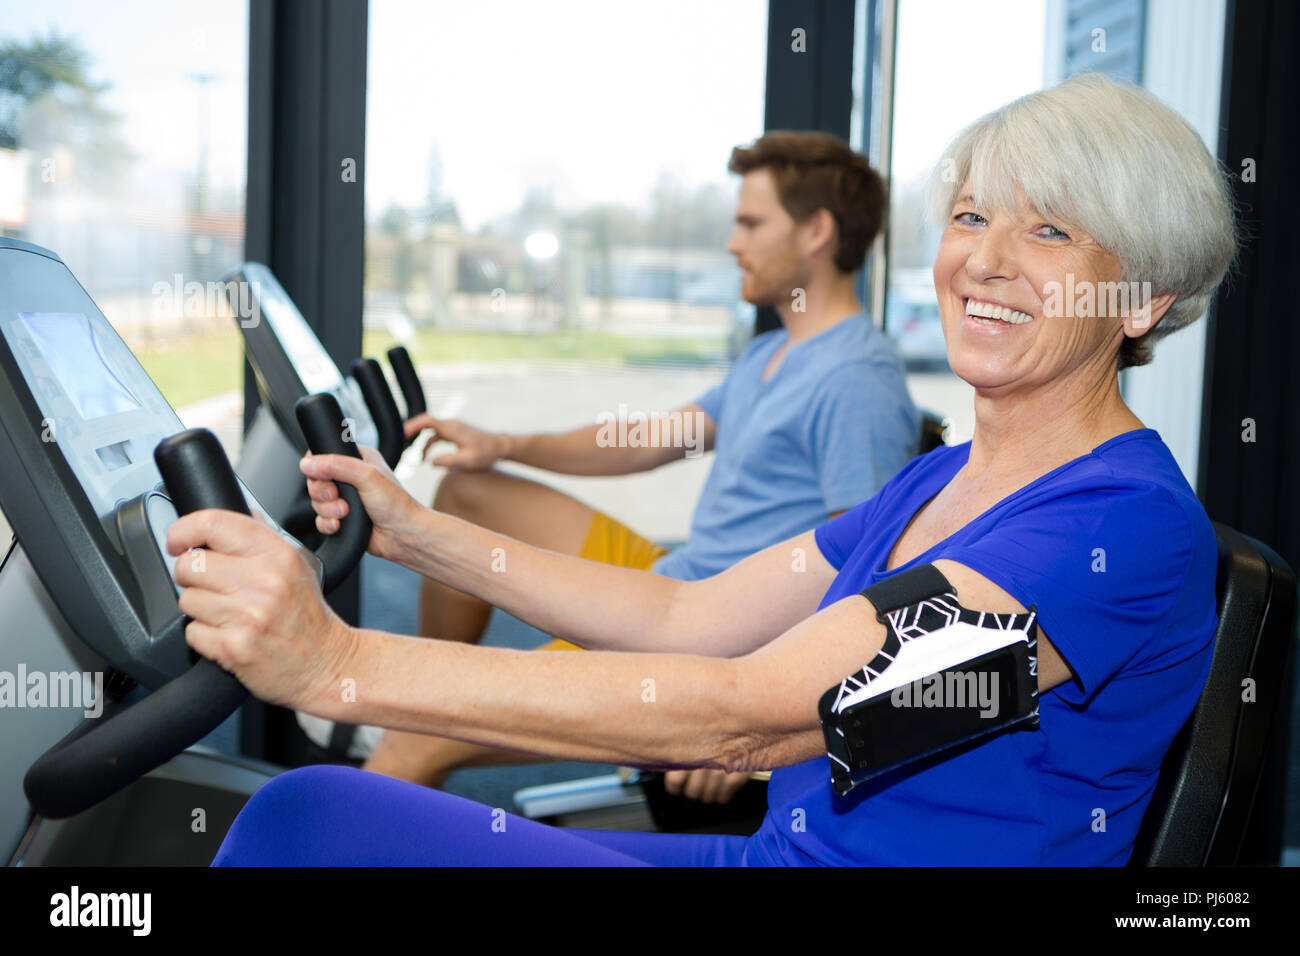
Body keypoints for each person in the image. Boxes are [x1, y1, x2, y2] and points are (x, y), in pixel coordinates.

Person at [172, 71, 1237, 865]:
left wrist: (334, 664)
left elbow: (756, 712)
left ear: (1140, 298)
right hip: (774, 855)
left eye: (1049, 230)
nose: (985, 259)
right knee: (307, 820)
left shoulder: (1118, 529)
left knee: (308, 823)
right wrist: (417, 530)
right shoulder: (940, 482)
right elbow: (691, 618)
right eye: (970, 216)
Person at [323, 131, 919, 804]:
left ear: (816, 231)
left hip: (709, 643)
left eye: (750, 224)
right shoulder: (775, 352)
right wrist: (505, 444)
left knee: (419, 728)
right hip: (677, 587)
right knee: (470, 489)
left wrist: (751, 708)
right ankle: (451, 680)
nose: (732, 243)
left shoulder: (856, 379)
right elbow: (650, 438)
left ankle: (433, 718)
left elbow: (866, 575)